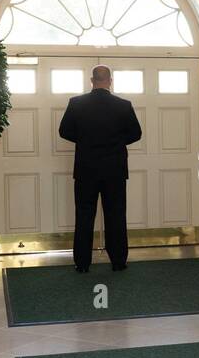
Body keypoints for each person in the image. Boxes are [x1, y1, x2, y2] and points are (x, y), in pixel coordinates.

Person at [57, 65, 142, 272]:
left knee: (84, 214)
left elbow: (64, 131)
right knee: (116, 214)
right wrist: (115, 142)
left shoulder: (76, 104)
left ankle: (83, 263)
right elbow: (136, 133)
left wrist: (85, 140)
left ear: (91, 80)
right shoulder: (123, 105)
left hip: (86, 167)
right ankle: (118, 261)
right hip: (115, 168)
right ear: (110, 81)